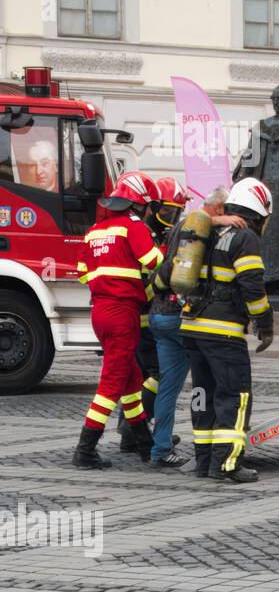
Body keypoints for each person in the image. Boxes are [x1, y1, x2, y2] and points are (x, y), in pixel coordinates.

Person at [176, 177, 274, 483]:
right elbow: (252, 287)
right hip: (223, 331)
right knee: (234, 395)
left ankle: (204, 461)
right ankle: (227, 464)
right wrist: (265, 322)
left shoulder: (203, 230)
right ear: (259, 213)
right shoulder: (245, 238)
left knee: (202, 394)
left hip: (192, 327)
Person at [72, 172, 163, 469]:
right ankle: (85, 449)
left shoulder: (95, 230)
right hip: (122, 313)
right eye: (150, 206)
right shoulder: (132, 227)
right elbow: (155, 263)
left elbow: (83, 272)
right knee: (112, 384)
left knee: (131, 380)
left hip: (100, 311)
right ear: (140, 205)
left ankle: (144, 444)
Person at [140, 178, 192, 468]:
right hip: (152, 317)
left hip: (152, 317)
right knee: (162, 380)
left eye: (175, 214)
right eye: (168, 212)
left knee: (153, 380)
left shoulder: (163, 235)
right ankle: (147, 438)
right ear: (153, 207)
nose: (171, 219)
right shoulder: (147, 235)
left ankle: (145, 437)